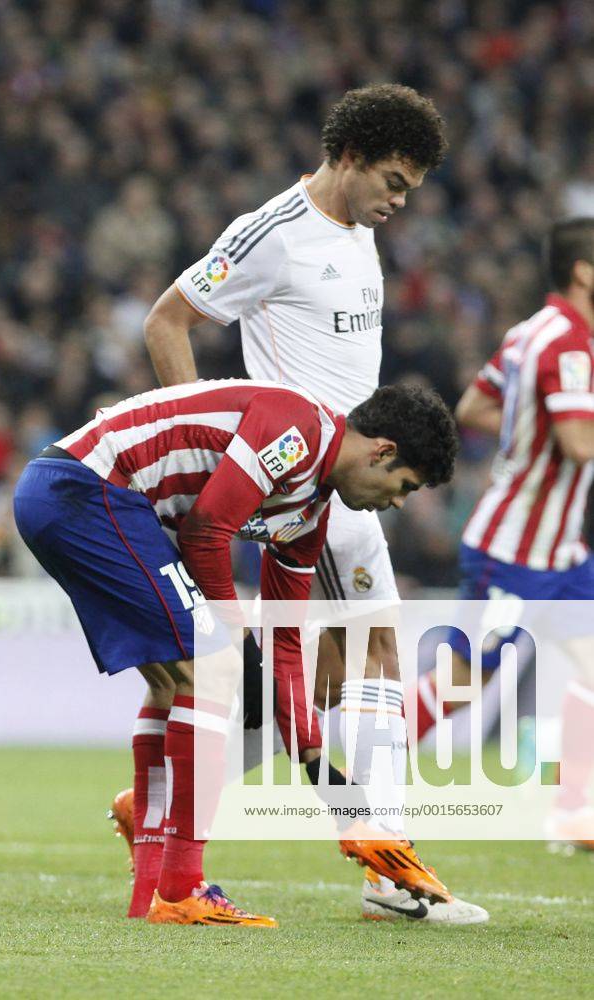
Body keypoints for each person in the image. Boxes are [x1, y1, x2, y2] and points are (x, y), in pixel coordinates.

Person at [121, 82, 486, 924]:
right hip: (308, 481)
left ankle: (153, 800)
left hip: (350, 477)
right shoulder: (274, 234)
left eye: (410, 190)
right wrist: (210, 445)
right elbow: (166, 321)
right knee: (370, 661)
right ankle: (387, 876)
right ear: (350, 156)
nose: (399, 201)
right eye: (393, 181)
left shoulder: (357, 232)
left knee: (320, 681)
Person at [14, 378, 457, 926]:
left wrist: (326, 778)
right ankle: (182, 888)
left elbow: (286, 643)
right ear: (382, 450)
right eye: (403, 486)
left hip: (81, 496)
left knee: (173, 681)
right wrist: (239, 642)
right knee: (215, 666)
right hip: (87, 491)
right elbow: (205, 531)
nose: (394, 503)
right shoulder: (298, 431)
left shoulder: (308, 513)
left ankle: (154, 892)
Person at [409, 217, 594, 851]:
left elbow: (474, 408)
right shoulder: (571, 344)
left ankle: (573, 810)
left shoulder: (526, 334)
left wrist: (525, 439)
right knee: (464, 683)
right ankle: (356, 772)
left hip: (561, 549)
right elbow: (576, 442)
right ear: (583, 272)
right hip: (513, 551)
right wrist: (546, 438)